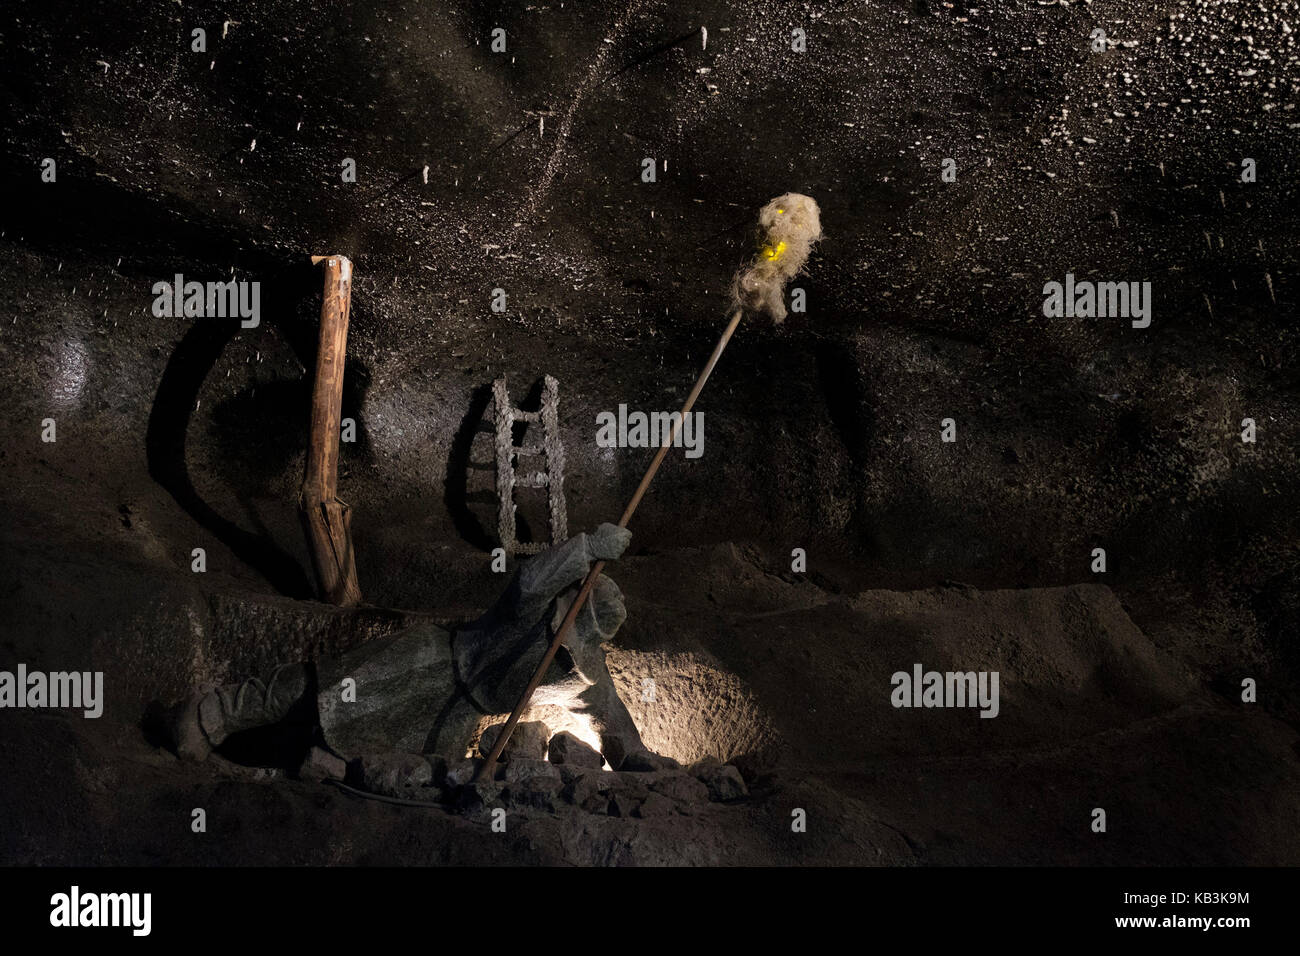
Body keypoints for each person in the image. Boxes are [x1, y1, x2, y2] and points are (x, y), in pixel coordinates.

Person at [168, 524, 655, 770]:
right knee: (323, 689)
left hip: (454, 718)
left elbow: (613, 724)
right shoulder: (536, 606)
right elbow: (529, 580)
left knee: (380, 763)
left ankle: (301, 772)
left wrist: (640, 762)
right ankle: (211, 714)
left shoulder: (585, 675)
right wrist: (586, 548)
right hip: (431, 660)